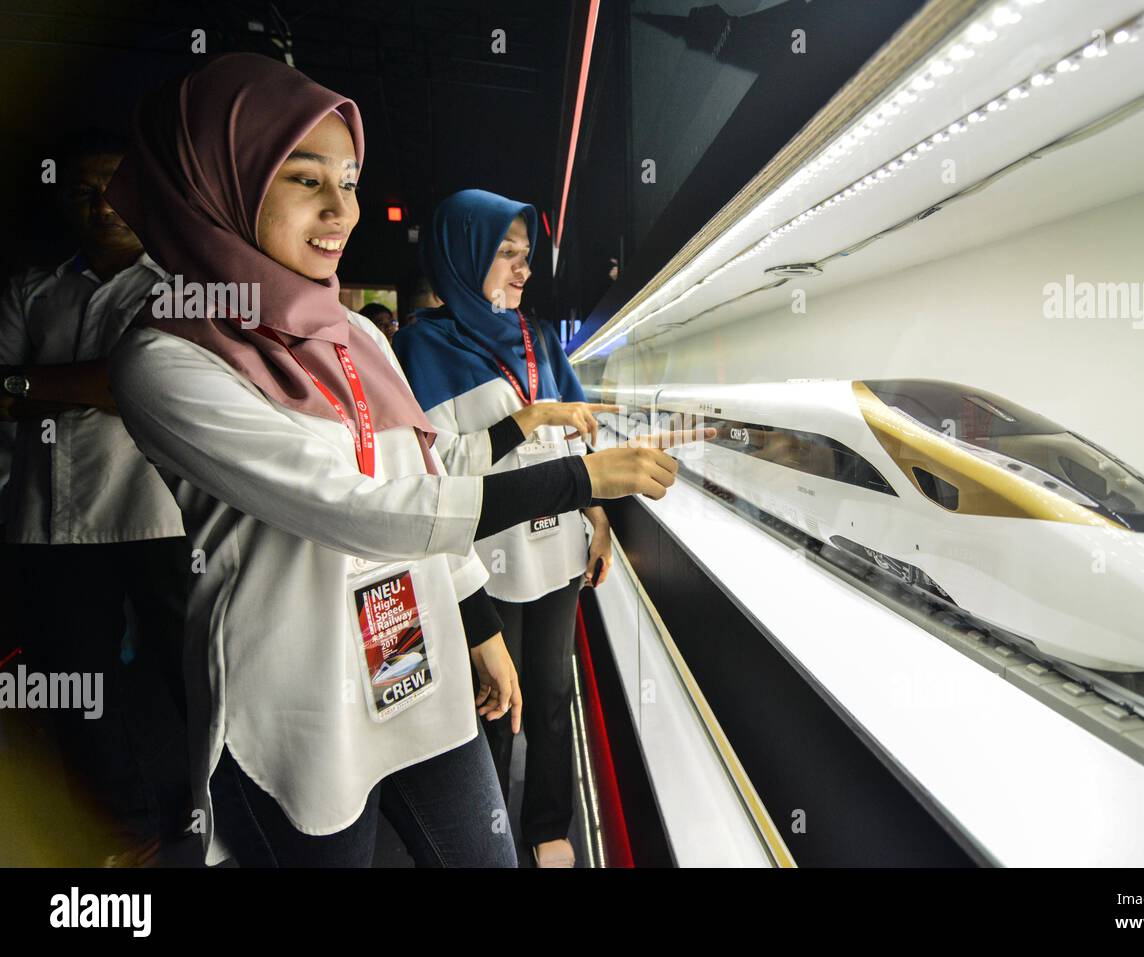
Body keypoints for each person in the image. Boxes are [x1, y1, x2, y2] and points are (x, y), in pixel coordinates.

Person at [103, 53, 698, 867]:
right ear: (221, 181)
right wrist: (582, 478)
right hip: (300, 708)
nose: (340, 210)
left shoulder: (363, 339)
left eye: (349, 181)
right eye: (303, 179)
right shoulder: (168, 359)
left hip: (414, 667)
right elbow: (349, 507)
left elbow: (418, 478)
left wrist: (473, 624)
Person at [392, 190, 610, 867]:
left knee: (550, 692)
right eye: (506, 255)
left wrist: (597, 516)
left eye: (526, 256)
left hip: (559, 551)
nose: (522, 271)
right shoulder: (421, 349)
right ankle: (483, 836)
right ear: (461, 256)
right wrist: (534, 417)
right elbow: (443, 468)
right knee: (492, 703)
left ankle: (548, 822)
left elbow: (582, 441)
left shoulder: (539, 338)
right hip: (483, 562)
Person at [0, 129, 192, 866]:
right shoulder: (34, 288)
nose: (98, 199)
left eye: (112, 182)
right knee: (74, 679)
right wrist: (95, 385)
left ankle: (215, 796)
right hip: (45, 522)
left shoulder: (179, 286)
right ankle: (133, 819)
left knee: (187, 665)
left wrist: (31, 385)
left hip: (153, 512)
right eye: (80, 186)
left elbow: (140, 387)